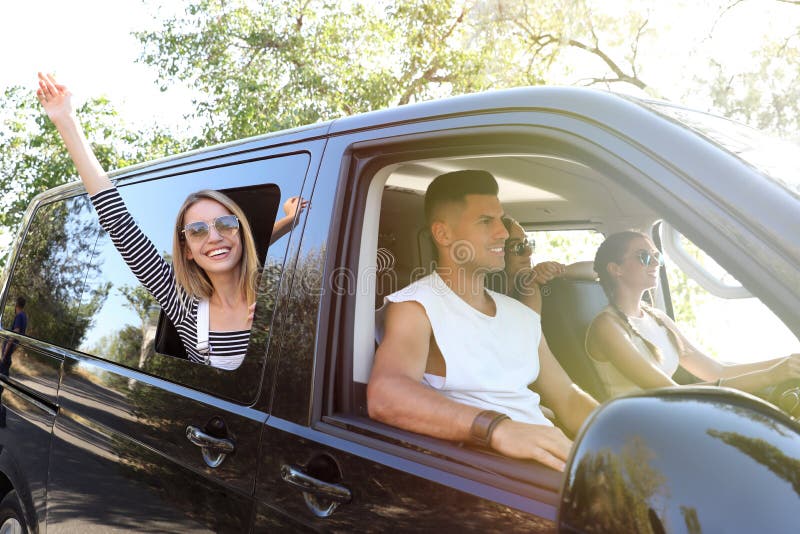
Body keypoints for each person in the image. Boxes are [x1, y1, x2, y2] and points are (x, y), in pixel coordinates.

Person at [36, 72, 305, 370]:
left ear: (240, 233)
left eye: (226, 224)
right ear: (187, 249)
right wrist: (66, 121)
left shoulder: (277, 293)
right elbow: (120, 225)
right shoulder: (184, 306)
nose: (214, 236)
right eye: (198, 230)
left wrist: (290, 221)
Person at [368, 170, 598, 472]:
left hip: (554, 461)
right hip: (495, 473)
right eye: (485, 221)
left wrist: (621, 433)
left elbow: (567, 397)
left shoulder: (521, 315)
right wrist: (497, 428)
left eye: (501, 220)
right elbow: (386, 394)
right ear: (444, 235)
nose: (503, 232)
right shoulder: (417, 307)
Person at [585, 230, 800, 397]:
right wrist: (772, 375)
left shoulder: (657, 318)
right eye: (644, 257)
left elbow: (717, 371)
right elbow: (671, 393)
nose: (655, 263)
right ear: (616, 269)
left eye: (656, 256)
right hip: (637, 433)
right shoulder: (608, 327)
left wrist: (787, 363)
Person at [493, 216, 595, 315]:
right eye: (518, 247)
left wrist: (558, 270)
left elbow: (596, 270)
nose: (529, 252)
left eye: (527, 244)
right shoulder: (487, 301)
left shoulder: (538, 279)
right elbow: (529, 327)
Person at [1, 297, 28, 375]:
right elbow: (21, 336)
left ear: (16, 304)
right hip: (12, 348)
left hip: (8, 349)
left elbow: (15, 333)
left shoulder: (19, 316)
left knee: (3, 372)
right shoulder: (24, 316)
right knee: (4, 371)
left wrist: (5, 352)